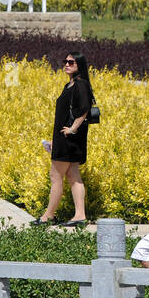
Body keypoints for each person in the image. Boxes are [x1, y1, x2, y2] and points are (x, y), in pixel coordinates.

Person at [32, 51, 94, 227]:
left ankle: (48, 216)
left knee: (56, 175)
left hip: (69, 138)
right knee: (73, 175)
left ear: (79, 65)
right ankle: (80, 215)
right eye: (65, 61)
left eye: (71, 62)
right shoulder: (70, 85)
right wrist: (54, 140)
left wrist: (73, 129)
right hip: (66, 138)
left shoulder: (80, 84)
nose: (67, 64)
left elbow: (84, 109)